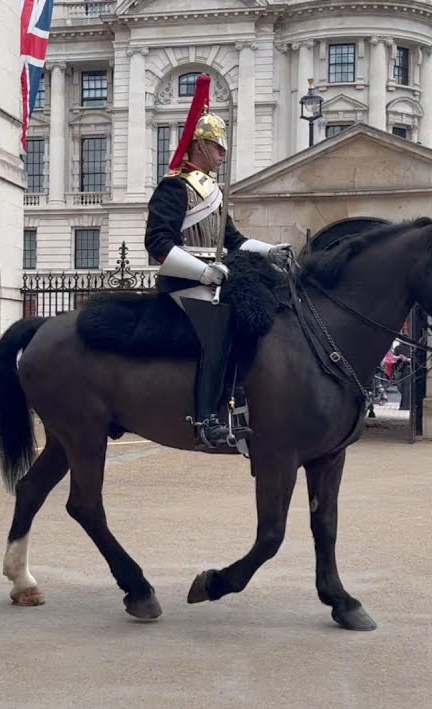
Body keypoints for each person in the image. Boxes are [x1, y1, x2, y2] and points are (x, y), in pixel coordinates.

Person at [143, 73, 292, 448]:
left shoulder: (214, 193)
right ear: (199, 145)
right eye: (216, 147)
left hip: (214, 279)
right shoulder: (174, 187)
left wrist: (270, 251)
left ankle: (239, 402)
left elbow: (235, 241)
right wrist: (202, 270)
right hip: (183, 282)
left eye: (222, 148)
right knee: (220, 328)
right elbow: (158, 243)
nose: (222, 154)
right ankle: (205, 418)